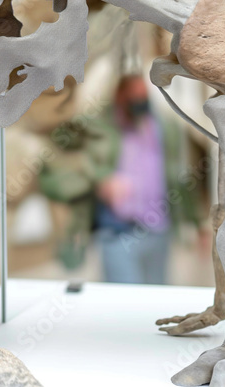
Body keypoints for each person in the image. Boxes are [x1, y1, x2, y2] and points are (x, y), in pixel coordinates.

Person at [40, 75, 200, 283]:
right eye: (132, 97)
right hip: (117, 232)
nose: (138, 102)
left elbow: (178, 176)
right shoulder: (96, 127)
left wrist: (196, 221)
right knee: (123, 302)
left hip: (158, 230)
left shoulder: (164, 128)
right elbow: (58, 160)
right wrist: (100, 181)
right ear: (119, 96)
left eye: (143, 96)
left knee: (157, 302)